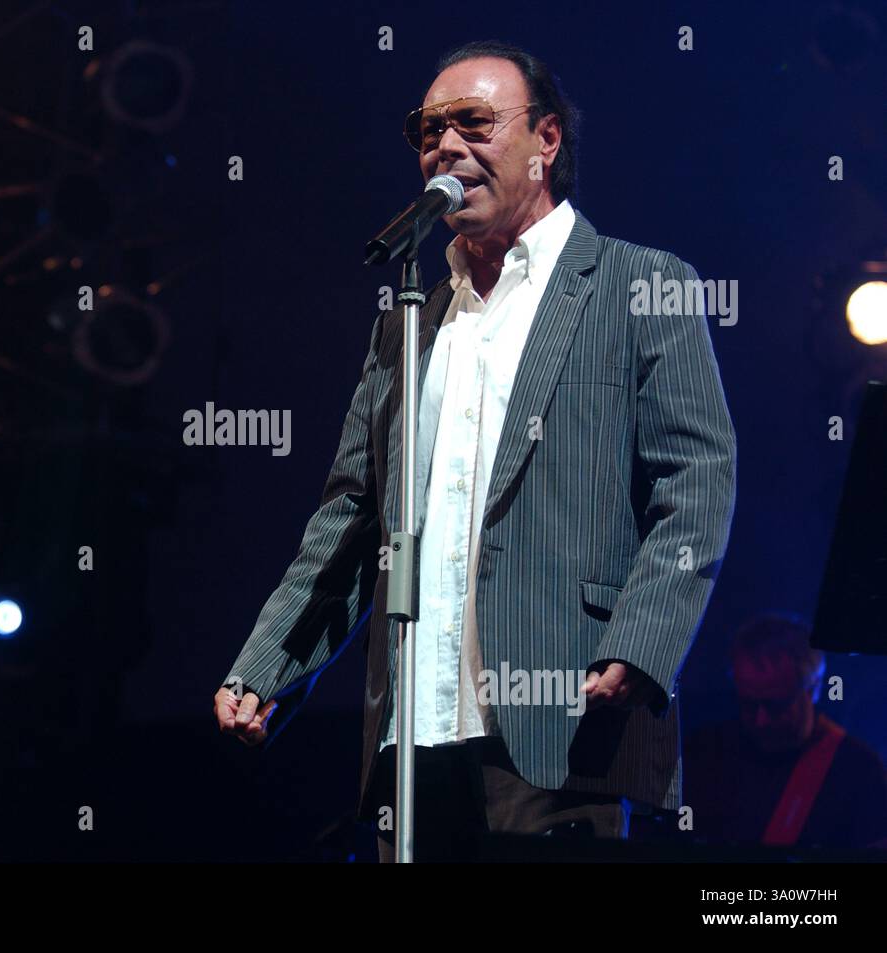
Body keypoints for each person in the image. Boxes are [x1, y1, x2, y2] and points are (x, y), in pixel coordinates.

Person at [213, 39, 736, 861]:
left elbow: (697, 481)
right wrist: (265, 667)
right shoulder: (408, 323)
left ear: (546, 140)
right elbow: (349, 520)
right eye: (428, 131)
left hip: (567, 718)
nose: (445, 146)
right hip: (413, 737)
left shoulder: (640, 284)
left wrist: (642, 641)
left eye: (473, 123)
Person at [685, 614, 887, 850]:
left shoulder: (857, 768)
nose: (760, 720)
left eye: (776, 706)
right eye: (748, 703)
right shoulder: (705, 751)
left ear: (813, 689)